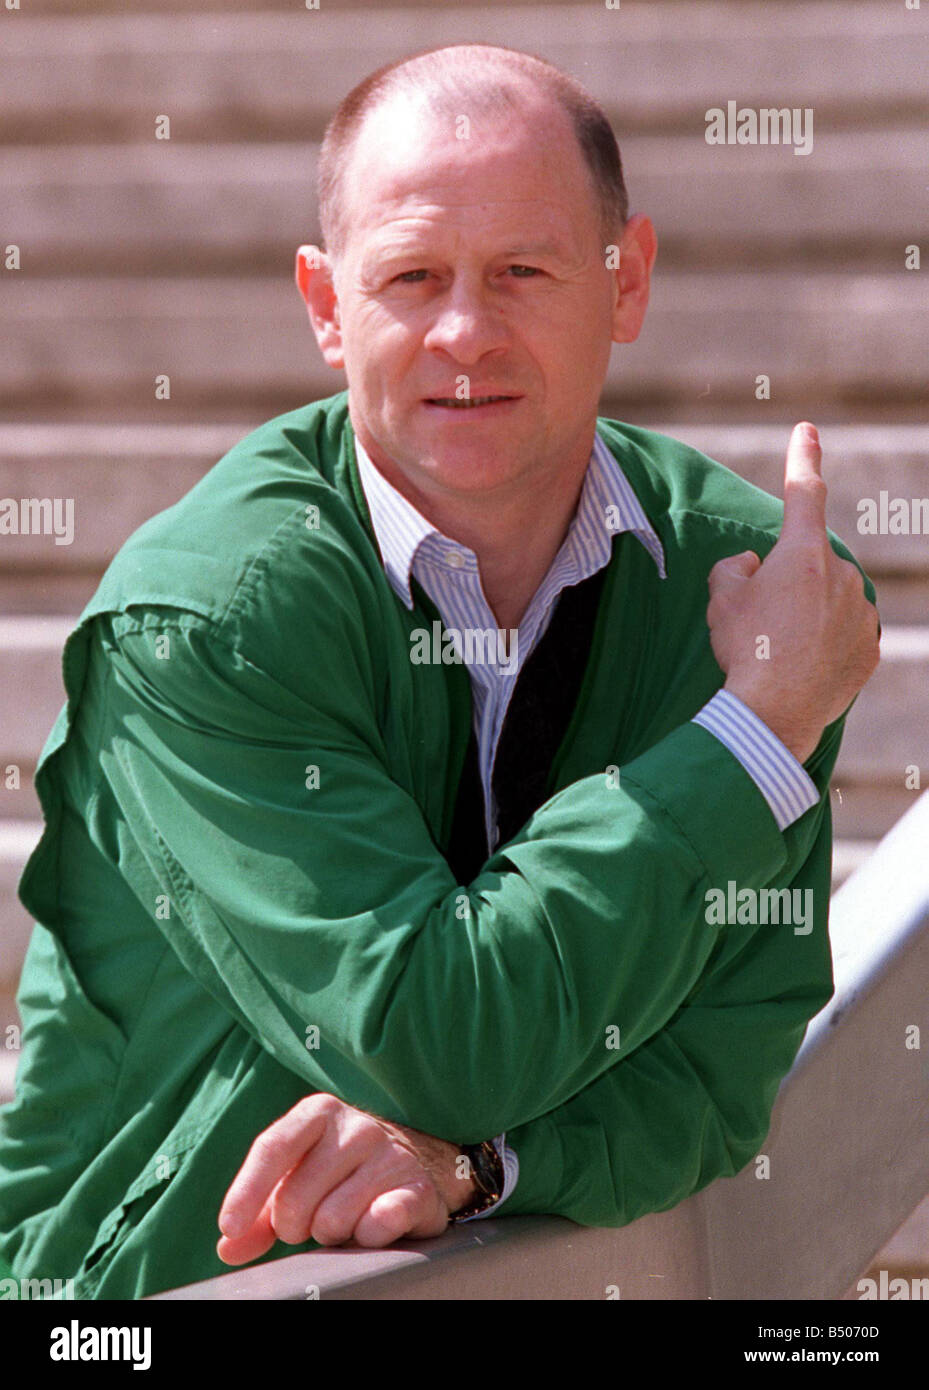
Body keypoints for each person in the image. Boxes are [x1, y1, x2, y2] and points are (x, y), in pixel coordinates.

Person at [0, 44, 879, 1299]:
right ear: (325, 305)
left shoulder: (757, 596)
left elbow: (715, 1069)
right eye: (411, 277)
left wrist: (480, 1164)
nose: (465, 332)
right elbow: (435, 1033)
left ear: (625, 280)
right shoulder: (204, 617)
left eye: (523, 270)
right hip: (140, 1297)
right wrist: (744, 738)